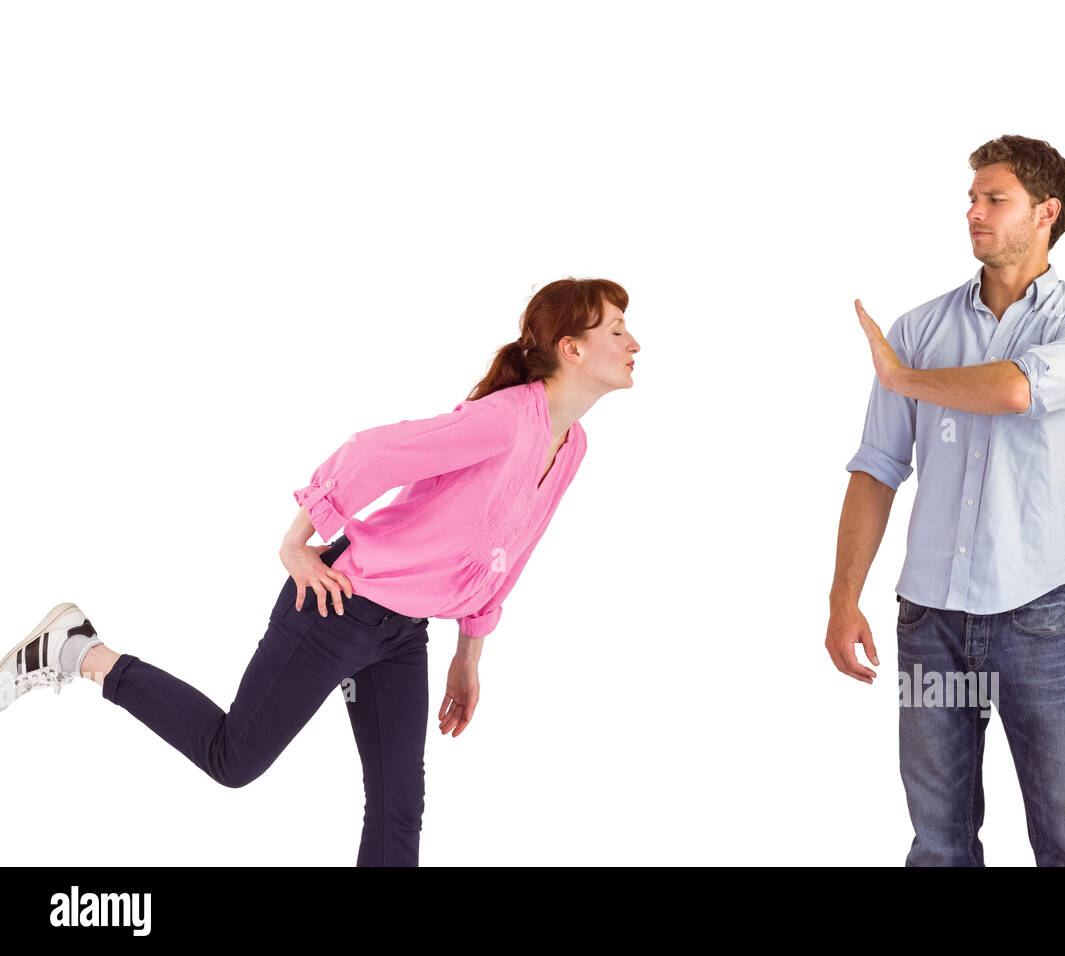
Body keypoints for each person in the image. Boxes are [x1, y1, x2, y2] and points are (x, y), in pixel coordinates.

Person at [1, 277, 640, 866]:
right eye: (616, 329)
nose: (633, 342)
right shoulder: (506, 420)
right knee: (233, 759)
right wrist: (297, 541)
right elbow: (376, 452)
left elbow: (513, 550)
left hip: (401, 629)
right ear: (571, 350)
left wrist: (469, 655)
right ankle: (79, 650)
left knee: (399, 808)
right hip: (340, 605)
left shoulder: (571, 443)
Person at [826, 135, 1065, 866]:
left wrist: (904, 379)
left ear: (1046, 212)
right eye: (971, 198)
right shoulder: (918, 330)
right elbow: (876, 468)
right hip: (928, 618)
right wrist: (843, 599)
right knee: (938, 843)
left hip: (1034, 617)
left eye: (995, 199)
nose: (974, 212)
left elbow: (1015, 390)